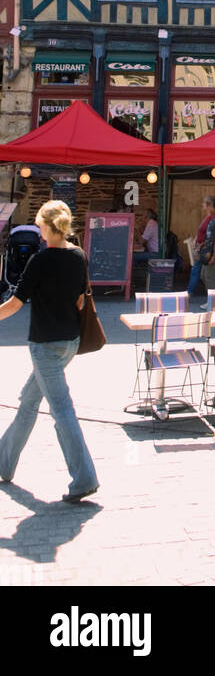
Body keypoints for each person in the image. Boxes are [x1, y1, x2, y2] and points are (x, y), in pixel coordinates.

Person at [0, 200, 99, 503]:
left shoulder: (40, 261)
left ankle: (84, 477)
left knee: (61, 410)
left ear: (45, 226)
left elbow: (15, 304)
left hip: (45, 345)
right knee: (28, 403)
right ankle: (4, 462)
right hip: (69, 342)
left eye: (40, 223)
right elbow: (81, 300)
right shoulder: (78, 255)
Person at [196, 196, 215, 295]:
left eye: (211, 206)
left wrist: (214, 256)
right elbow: (210, 237)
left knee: (209, 276)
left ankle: (214, 302)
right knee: (204, 276)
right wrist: (202, 245)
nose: (209, 208)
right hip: (208, 252)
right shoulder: (213, 220)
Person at [186, 201, 215, 298]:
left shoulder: (211, 218)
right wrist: (196, 240)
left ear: (209, 206)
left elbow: (209, 234)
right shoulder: (208, 217)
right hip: (201, 248)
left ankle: (189, 292)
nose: (202, 205)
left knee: (203, 272)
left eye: (203, 204)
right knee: (205, 272)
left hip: (203, 248)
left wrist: (201, 243)